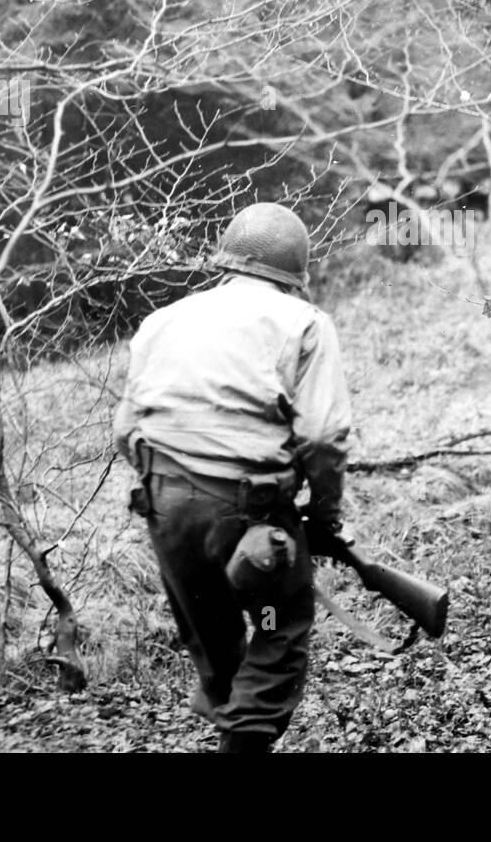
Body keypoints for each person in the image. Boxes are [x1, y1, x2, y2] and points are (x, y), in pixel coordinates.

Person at [113, 202, 351, 753]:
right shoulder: (306, 324)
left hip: (164, 509)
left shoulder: (161, 321)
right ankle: (243, 735)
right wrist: (325, 512)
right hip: (252, 516)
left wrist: (182, 486)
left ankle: (231, 709)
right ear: (297, 273)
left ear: (227, 261)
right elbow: (322, 437)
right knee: (276, 632)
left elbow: (125, 430)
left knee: (215, 640)